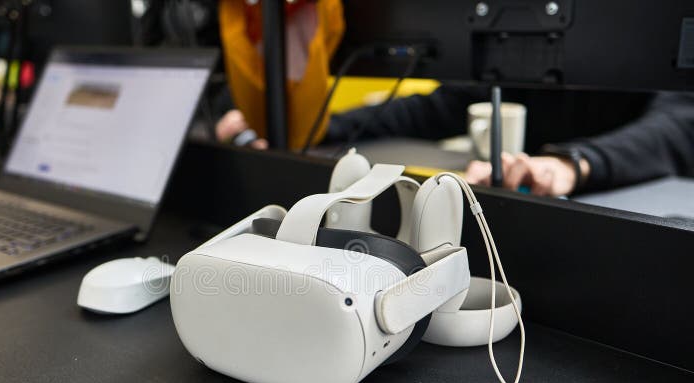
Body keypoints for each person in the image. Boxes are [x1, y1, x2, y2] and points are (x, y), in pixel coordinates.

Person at [218, 85, 694, 196]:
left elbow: (677, 121)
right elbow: (431, 108)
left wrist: (571, 163)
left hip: (623, 205)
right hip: (516, 202)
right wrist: (310, 126)